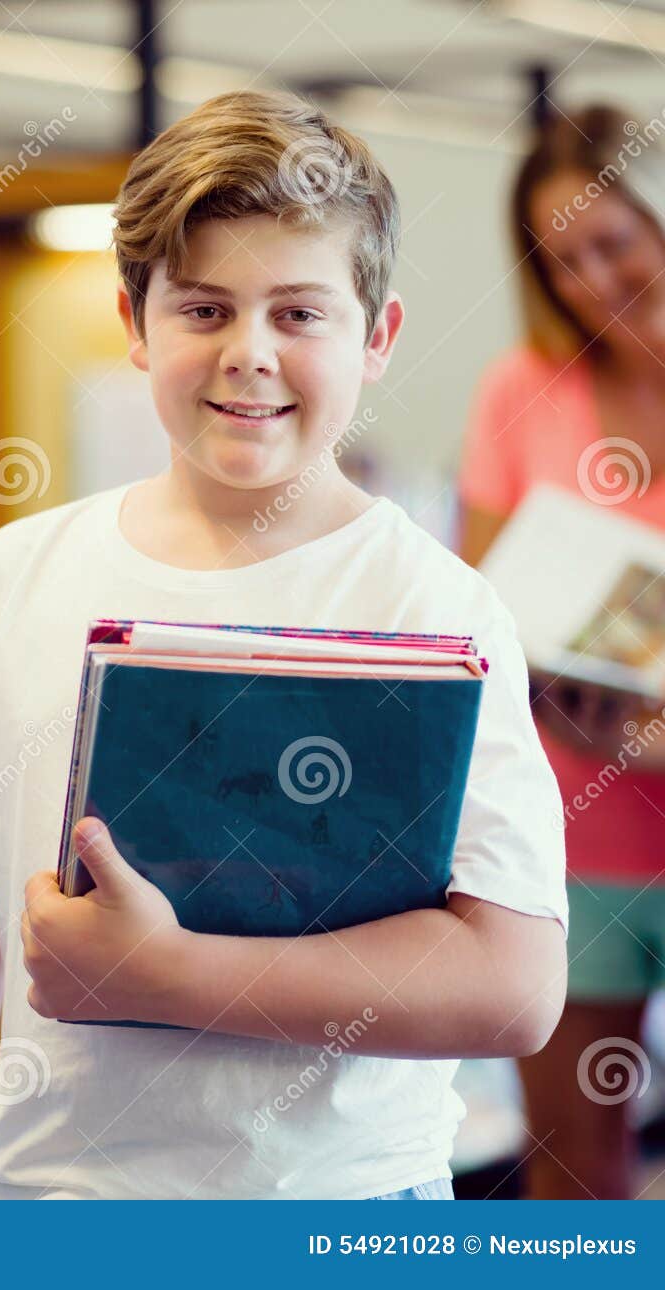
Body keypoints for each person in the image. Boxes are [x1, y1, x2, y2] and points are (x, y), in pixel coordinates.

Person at [0, 90, 569, 1200]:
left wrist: (169, 974)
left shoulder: (439, 610)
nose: (249, 355)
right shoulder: (10, 582)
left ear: (375, 338)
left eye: (299, 314)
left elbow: (513, 986)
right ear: (135, 321)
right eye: (203, 310)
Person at [459, 104, 665, 1200]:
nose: (591, 278)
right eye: (561, 258)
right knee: (575, 1173)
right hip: (572, 836)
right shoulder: (518, 390)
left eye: (613, 242)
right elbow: (484, 612)